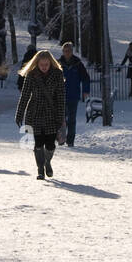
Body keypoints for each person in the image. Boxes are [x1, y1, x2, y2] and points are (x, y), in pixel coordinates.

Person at [16, 49, 67, 179]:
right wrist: (19, 113)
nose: (44, 67)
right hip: (35, 113)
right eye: (41, 65)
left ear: (51, 63)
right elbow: (25, 96)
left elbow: (61, 97)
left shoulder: (57, 75)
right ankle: (40, 169)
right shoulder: (31, 75)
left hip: (51, 113)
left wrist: (60, 117)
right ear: (37, 64)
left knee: (50, 144)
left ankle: (47, 161)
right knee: (38, 143)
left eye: (46, 65)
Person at [60, 41, 90, 146]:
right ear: (63, 52)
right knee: (61, 119)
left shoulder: (78, 64)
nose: (67, 53)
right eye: (65, 51)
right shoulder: (58, 64)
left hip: (73, 95)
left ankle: (70, 140)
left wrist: (86, 91)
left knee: (72, 119)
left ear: (72, 52)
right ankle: (61, 138)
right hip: (60, 96)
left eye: (69, 51)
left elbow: (85, 78)